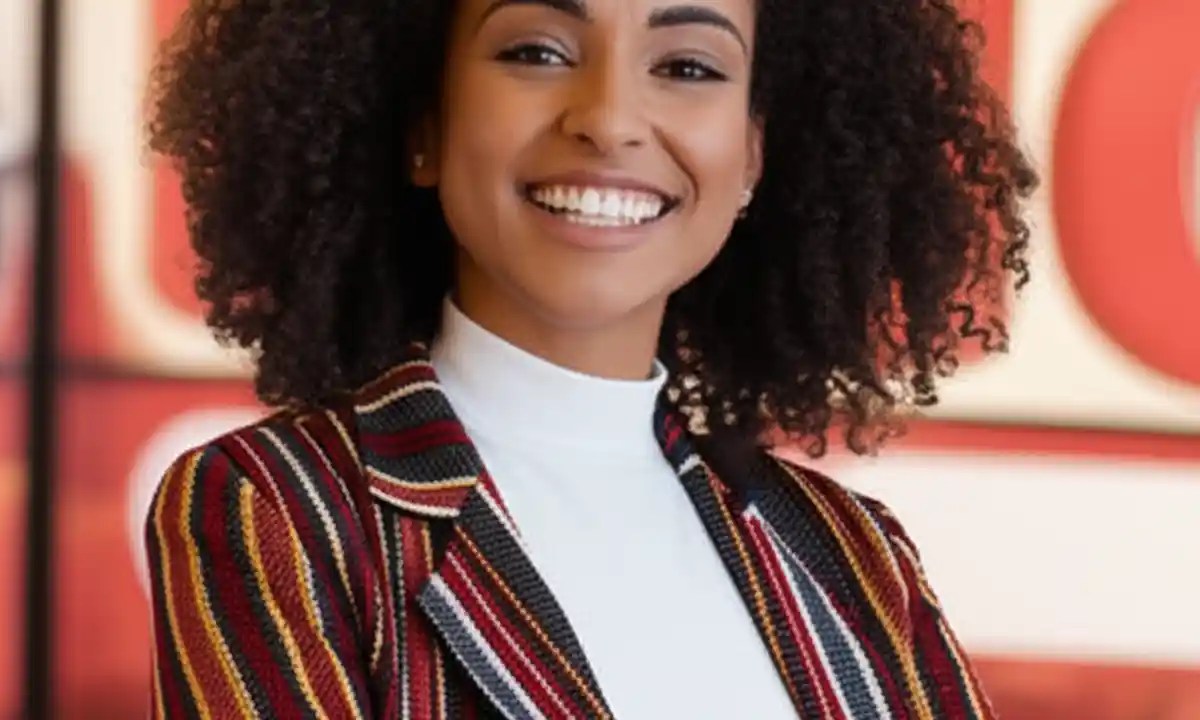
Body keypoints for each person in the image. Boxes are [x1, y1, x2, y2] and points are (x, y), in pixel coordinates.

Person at [144, 0, 1036, 717]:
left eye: (687, 67)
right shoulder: (277, 512)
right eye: (536, 51)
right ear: (424, 123)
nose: (610, 120)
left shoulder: (853, 559)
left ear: (755, 155)